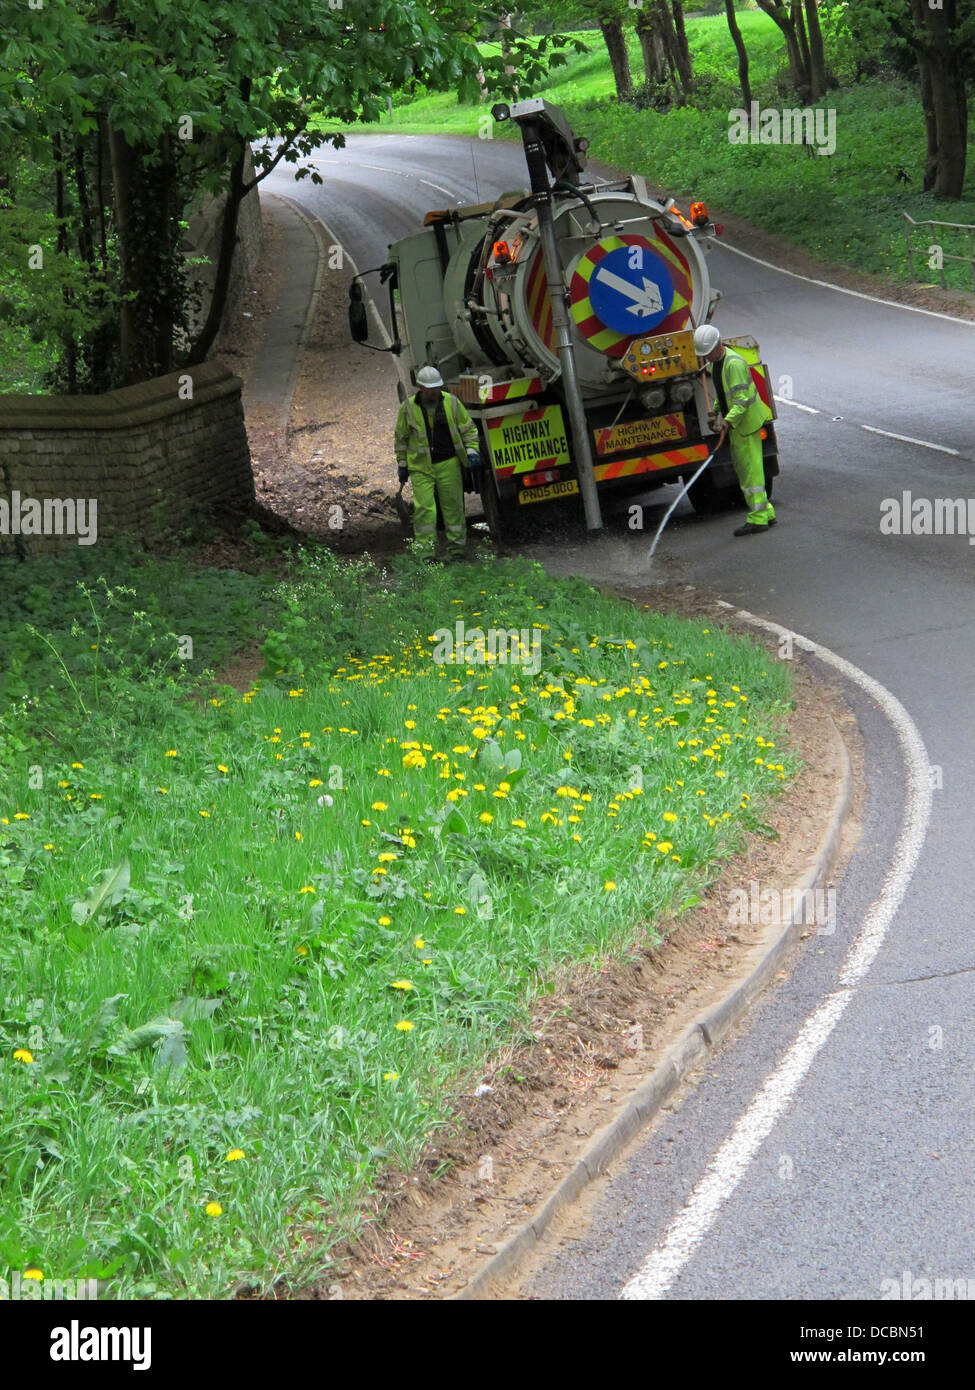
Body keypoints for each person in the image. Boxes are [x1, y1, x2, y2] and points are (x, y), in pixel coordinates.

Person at [692, 324, 776, 537]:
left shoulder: (734, 364)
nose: (705, 358)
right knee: (744, 469)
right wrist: (716, 412)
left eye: (707, 353)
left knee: (751, 473)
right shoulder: (716, 365)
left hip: (744, 425)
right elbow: (724, 393)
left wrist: (726, 422)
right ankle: (766, 512)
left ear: (717, 345)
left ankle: (758, 519)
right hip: (739, 425)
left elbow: (742, 400)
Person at [394, 365, 482, 562]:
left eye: (437, 388)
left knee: (453, 508)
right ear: (421, 388)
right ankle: (426, 555)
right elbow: (401, 438)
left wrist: (471, 450)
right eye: (431, 388)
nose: (435, 392)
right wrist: (402, 463)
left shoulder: (451, 403)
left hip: (448, 463)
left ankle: (457, 552)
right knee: (425, 509)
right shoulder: (407, 408)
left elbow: (469, 430)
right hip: (420, 467)